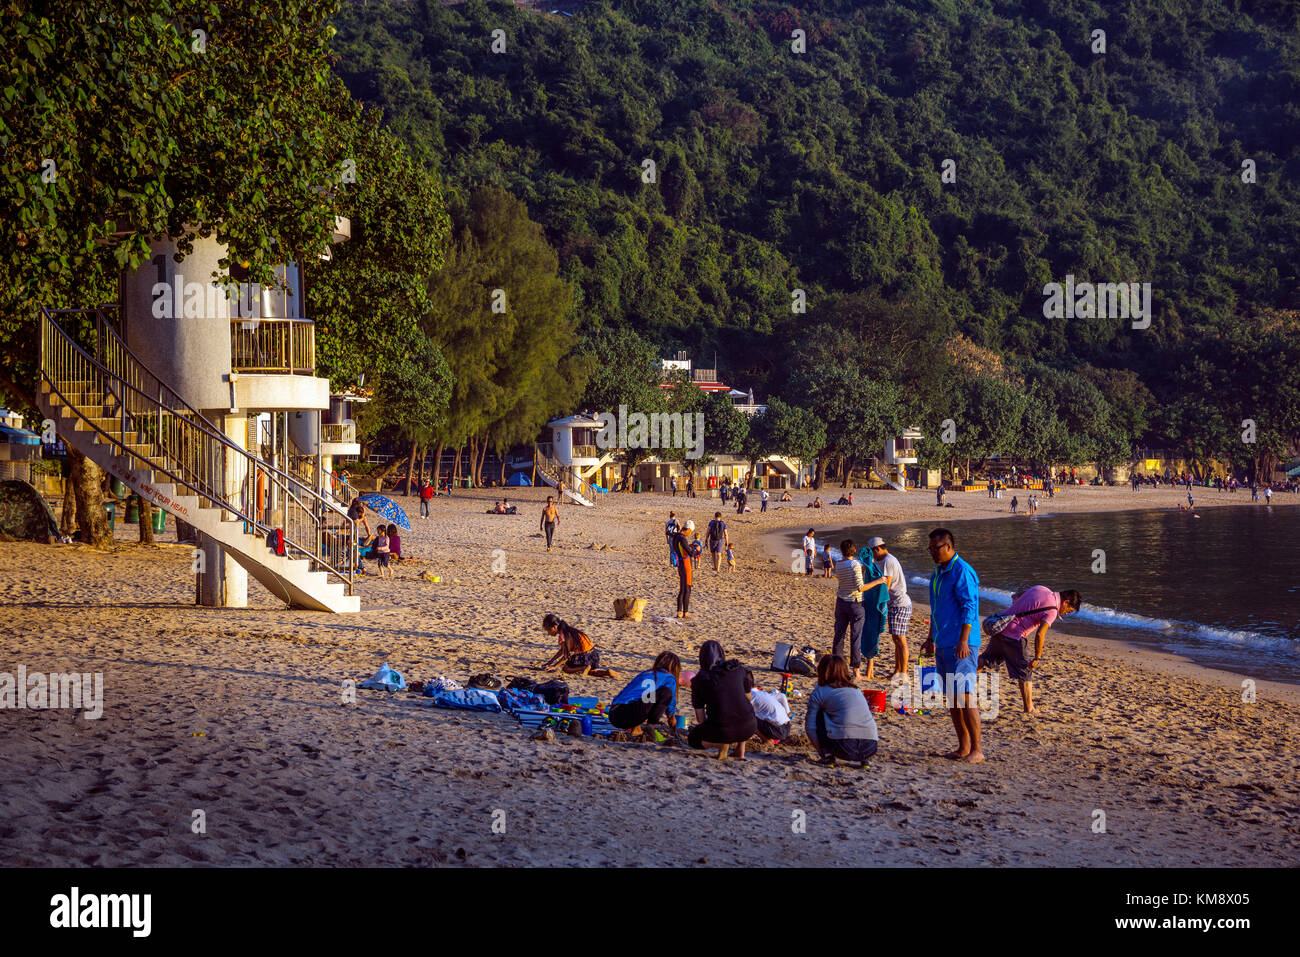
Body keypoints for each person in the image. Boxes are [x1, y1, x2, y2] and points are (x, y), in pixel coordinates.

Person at [921, 528, 983, 762]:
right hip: (943, 642)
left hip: (962, 644)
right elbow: (936, 609)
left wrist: (964, 640)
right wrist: (930, 638)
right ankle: (963, 747)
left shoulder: (962, 571)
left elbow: (970, 607)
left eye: (935, 549)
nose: (932, 553)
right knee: (953, 697)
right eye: (929, 549)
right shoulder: (938, 572)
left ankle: (978, 750)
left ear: (948, 546)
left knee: (965, 695)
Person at [980, 587, 1081, 714]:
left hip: (1001, 627)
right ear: (1066, 602)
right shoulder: (1052, 611)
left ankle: (964, 688)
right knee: (1025, 671)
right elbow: (1040, 634)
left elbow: (1016, 595)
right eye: (1069, 610)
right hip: (1015, 635)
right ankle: (1029, 708)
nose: (1066, 613)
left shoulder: (1040, 588)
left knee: (986, 658)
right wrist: (1038, 657)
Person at [805, 655, 878, 768]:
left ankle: (828, 758)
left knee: (820, 714)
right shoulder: (857, 690)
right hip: (870, 746)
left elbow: (810, 727)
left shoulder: (820, 692)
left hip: (842, 746)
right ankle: (866, 760)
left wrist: (821, 752)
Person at [687, 641, 757, 759]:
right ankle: (740, 751)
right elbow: (748, 697)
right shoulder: (738, 669)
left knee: (693, 739)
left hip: (722, 729)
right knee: (741, 707)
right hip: (750, 726)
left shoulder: (700, 680)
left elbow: (700, 719)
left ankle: (722, 745)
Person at [831, 540, 890, 680]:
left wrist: (863, 568)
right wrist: (879, 581)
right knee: (856, 637)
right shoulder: (855, 565)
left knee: (839, 636)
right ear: (854, 549)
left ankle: (836, 669)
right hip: (855, 604)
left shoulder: (839, 564)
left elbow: (850, 575)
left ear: (841, 550)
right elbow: (860, 587)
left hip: (841, 602)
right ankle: (856, 672)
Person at [868, 536, 912, 680]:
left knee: (901, 639)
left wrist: (880, 604)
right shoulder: (885, 560)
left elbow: (886, 586)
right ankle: (897, 671)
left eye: (872, 552)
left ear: (878, 549)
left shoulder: (888, 561)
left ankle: (903, 673)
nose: (872, 556)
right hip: (895, 603)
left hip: (900, 603)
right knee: (896, 639)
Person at [608, 652, 680, 735]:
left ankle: (637, 728)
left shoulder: (646, 673)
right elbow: (670, 705)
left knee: (644, 697)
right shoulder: (669, 678)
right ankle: (650, 726)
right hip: (628, 713)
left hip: (614, 714)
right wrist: (672, 720)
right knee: (666, 692)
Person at [539, 613, 619, 679]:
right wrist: (550, 661)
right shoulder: (569, 630)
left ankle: (583, 667)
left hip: (583, 656)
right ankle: (607, 672)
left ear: (555, 627)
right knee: (592, 672)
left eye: (548, 630)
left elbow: (566, 656)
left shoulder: (563, 636)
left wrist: (555, 666)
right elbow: (562, 650)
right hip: (593, 654)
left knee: (566, 669)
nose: (548, 633)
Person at [671, 519, 694, 618]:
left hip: (680, 563)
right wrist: (696, 549)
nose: (690, 533)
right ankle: (685, 612)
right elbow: (691, 553)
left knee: (682, 589)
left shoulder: (676, 537)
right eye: (691, 531)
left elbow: (682, 548)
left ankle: (680, 612)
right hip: (685, 564)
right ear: (688, 529)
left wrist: (689, 546)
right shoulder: (682, 538)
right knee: (687, 589)